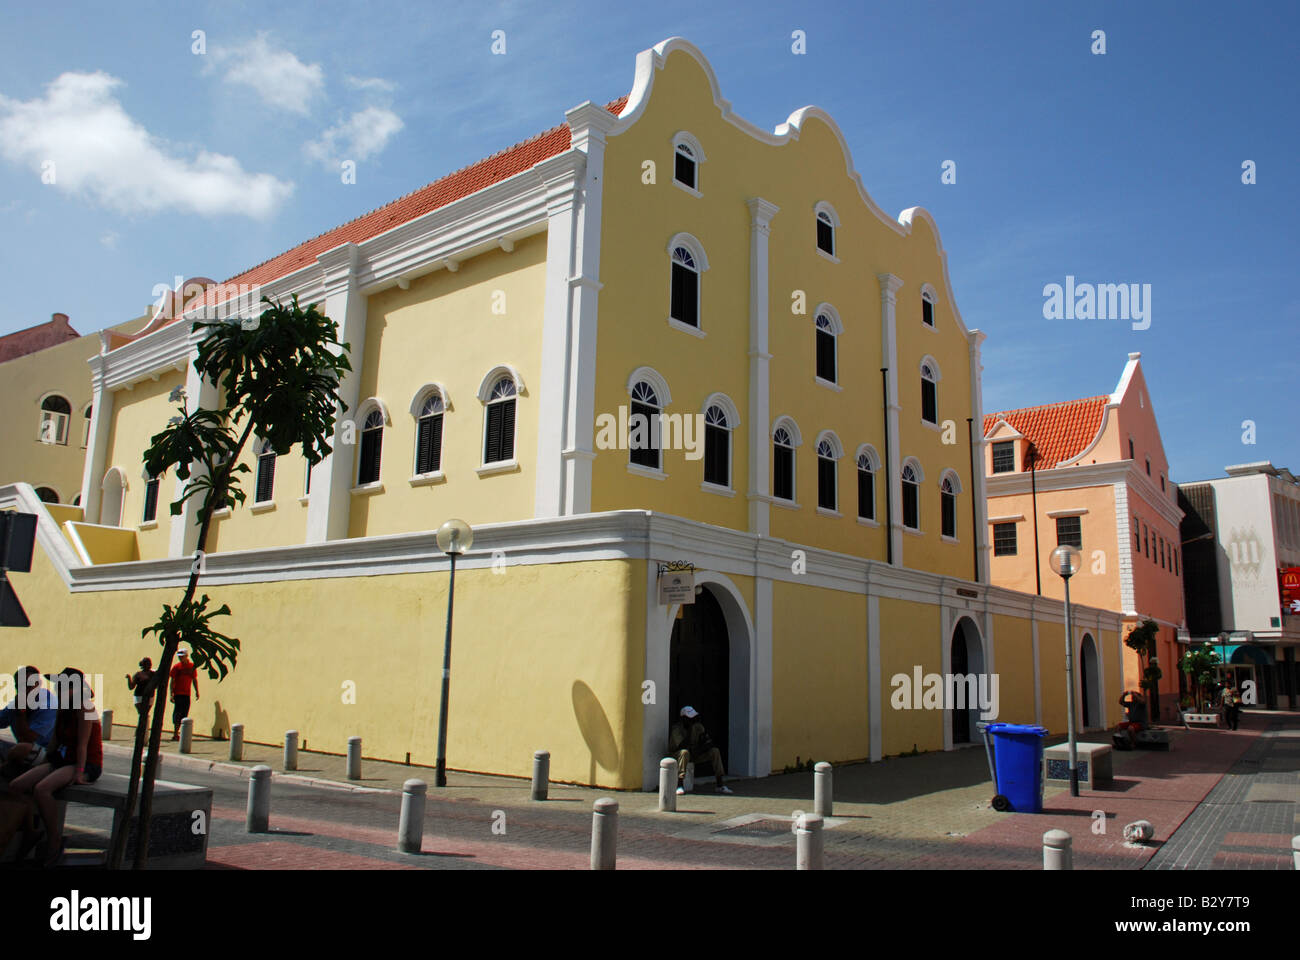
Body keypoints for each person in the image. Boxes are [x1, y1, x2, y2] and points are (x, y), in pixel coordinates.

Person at [9, 668, 103, 866]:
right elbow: (54, 743)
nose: (57, 689)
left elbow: (82, 745)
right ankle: (30, 832)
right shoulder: (62, 708)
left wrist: (79, 774)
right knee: (17, 785)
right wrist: (40, 767)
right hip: (62, 759)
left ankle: (54, 839)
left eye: (61, 685)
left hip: (85, 763)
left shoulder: (85, 708)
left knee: (42, 789)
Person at [0, 666, 57, 776]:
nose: (23, 690)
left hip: (47, 754)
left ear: (38, 684)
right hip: (22, 750)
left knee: (21, 749)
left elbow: (27, 739)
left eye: (27, 685)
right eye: (19, 686)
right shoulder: (17, 702)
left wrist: (21, 712)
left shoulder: (49, 706)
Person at [669, 705, 732, 795]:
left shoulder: (698, 727)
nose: (692, 720)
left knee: (714, 751)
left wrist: (700, 749)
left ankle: (720, 785)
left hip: (694, 753)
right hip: (677, 756)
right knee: (684, 752)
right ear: (683, 718)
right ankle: (680, 785)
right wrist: (690, 729)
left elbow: (708, 742)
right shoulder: (677, 729)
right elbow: (682, 746)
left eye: (693, 717)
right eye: (689, 718)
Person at [168, 648, 200, 741]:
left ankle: (182, 733)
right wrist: (171, 694)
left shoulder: (192, 666)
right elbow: (172, 680)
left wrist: (197, 691)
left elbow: (194, 679)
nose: (180, 658)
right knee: (177, 713)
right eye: (179, 657)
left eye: (182, 656)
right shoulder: (176, 667)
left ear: (186, 656)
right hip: (178, 693)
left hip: (187, 693)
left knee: (185, 713)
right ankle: (175, 733)